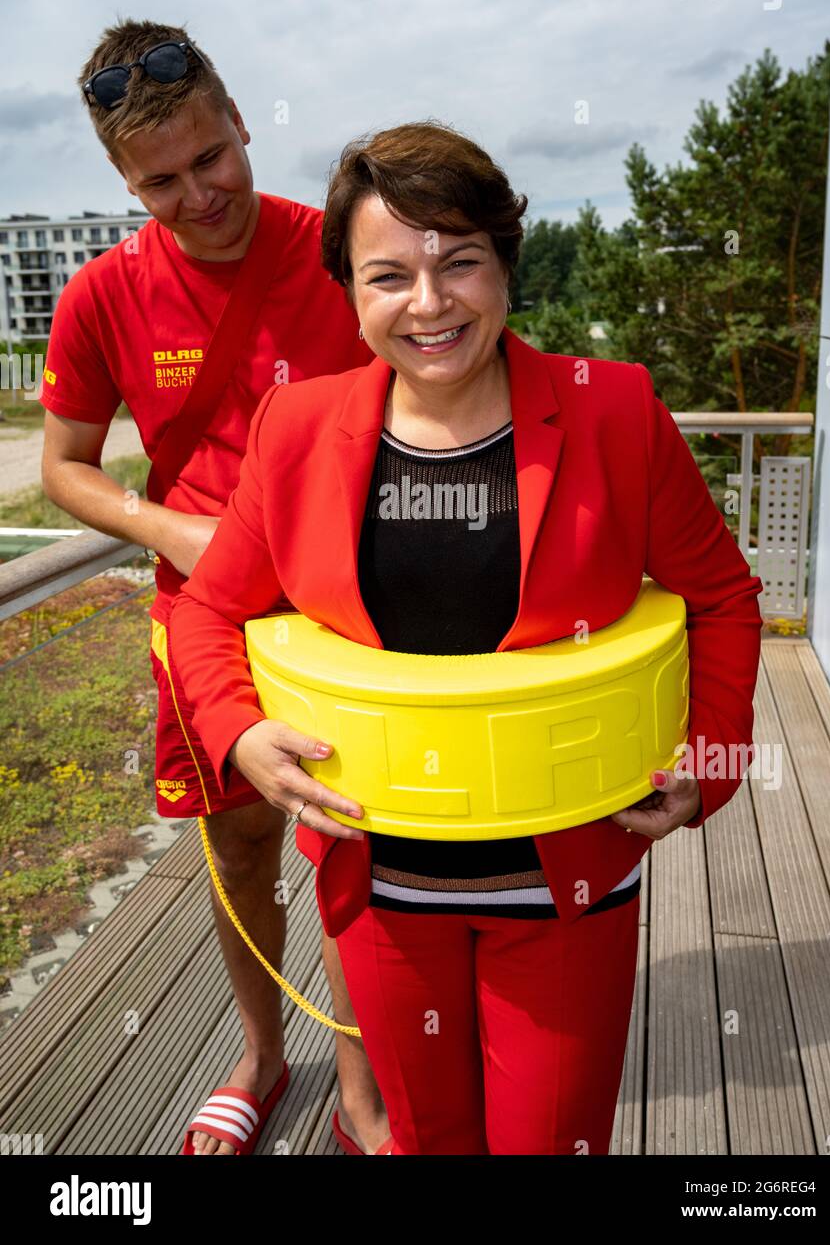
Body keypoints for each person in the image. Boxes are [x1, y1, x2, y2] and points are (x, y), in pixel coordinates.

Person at [169, 120, 764, 1154]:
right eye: (387, 275)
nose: (428, 303)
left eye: (458, 262)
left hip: (568, 882)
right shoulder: (297, 431)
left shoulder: (612, 411)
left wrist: (704, 763)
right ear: (351, 292)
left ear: (503, 266)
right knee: (424, 1137)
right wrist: (234, 732)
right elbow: (207, 610)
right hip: (381, 887)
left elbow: (722, 595)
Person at [38, 18, 392, 1156]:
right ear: (121, 180)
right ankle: (259, 1052)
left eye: (213, 160)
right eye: (161, 182)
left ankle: (361, 1081)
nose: (198, 196)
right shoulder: (101, 295)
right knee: (238, 847)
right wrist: (171, 529)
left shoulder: (342, 249)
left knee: (357, 841)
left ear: (242, 123)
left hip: (354, 613)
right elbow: (64, 466)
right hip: (206, 621)